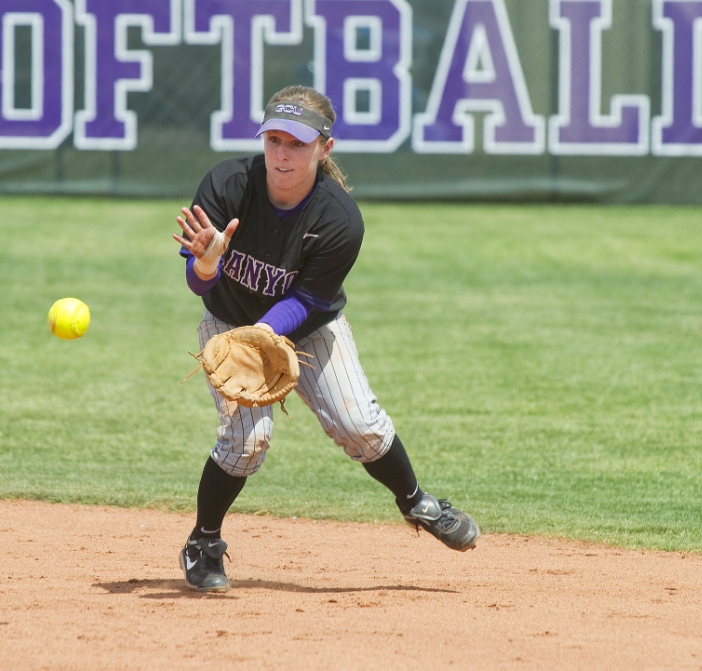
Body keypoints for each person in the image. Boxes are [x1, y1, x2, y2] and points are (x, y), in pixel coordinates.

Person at [171, 85, 479, 593]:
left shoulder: (339, 220)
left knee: (361, 425)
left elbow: (311, 300)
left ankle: (418, 501)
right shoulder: (226, 185)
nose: (282, 155)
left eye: (296, 143)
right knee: (247, 441)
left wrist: (266, 334)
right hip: (229, 325)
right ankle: (203, 542)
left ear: (324, 148)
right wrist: (206, 263)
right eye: (274, 140)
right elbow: (198, 282)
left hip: (308, 326)